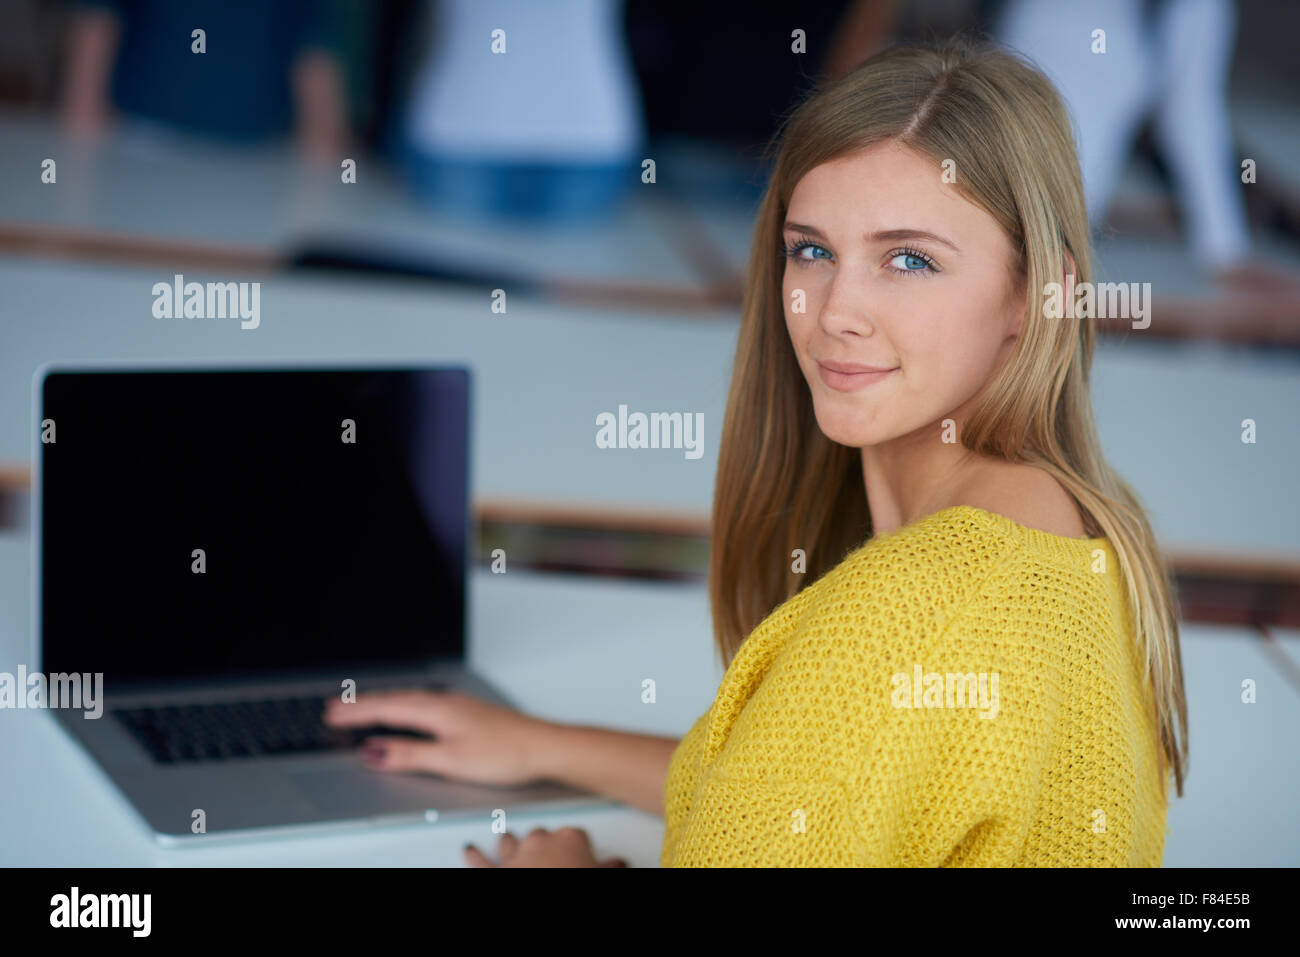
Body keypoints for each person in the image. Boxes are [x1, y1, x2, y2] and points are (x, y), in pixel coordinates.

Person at [324, 40, 1188, 867]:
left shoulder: (897, 620)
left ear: (1042, 294)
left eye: (910, 261)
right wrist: (538, 743)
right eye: (812, 250)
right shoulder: (1087, 532)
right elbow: (818, 796)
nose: (834, 309)